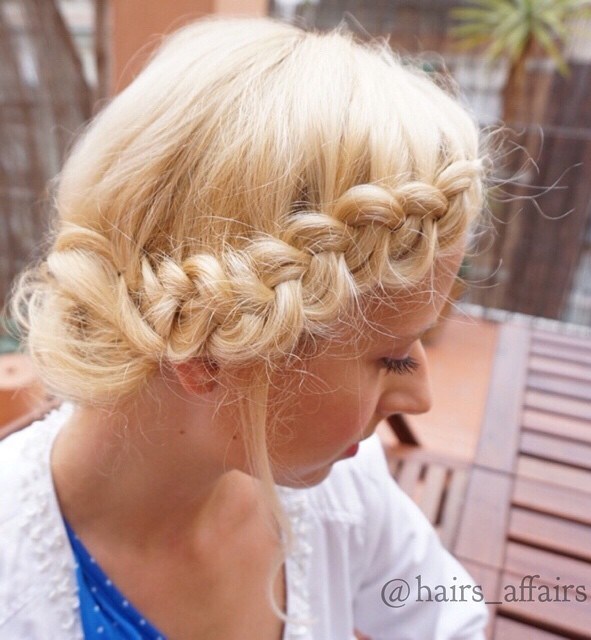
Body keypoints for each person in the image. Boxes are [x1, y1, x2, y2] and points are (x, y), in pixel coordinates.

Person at [1, 16, 490, 640]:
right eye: (390, 357)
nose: (420, 396)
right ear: (211, 354)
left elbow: (447, 617)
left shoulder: (346, 496)